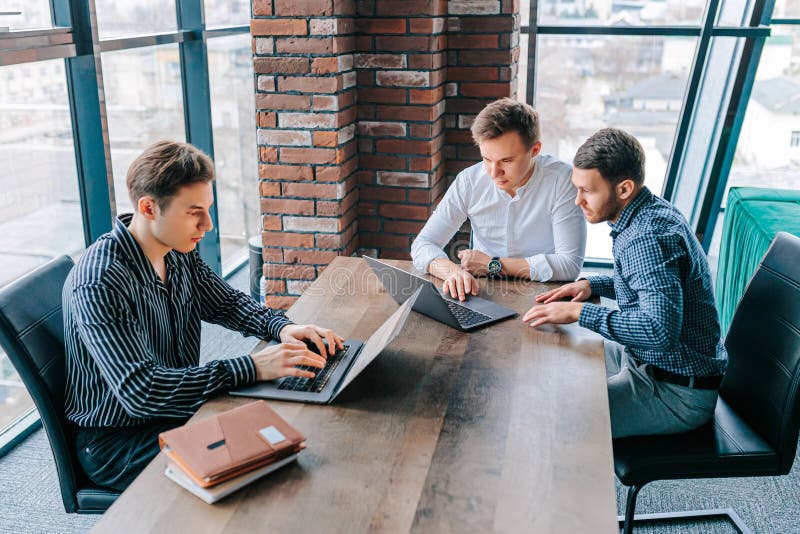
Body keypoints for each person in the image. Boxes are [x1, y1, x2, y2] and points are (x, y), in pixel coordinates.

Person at [63, 141, 344, 491]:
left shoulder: (176, 250)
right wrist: (254, 367)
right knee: (269, 471)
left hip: (175, 410)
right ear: (149, 208)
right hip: (119, 443)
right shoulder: (100, 280)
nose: (208, 224)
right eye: (193, 212)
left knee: (284, 431)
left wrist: (284, 328)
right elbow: (141, 390)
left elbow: (226, 304)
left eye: (208, 209)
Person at [522, 128, 727, 438]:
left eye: (587, 191)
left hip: (675, 392)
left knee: (558, 422)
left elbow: (658, 330)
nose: (578, 201)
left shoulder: (645, 238)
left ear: (624, 188)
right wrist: (593, 287)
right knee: (555, 359)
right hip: (648, 362)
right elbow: (649, 285)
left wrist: (579, 313)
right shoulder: (648, 213)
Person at [410, 98, 586, 301]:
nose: (494, 172)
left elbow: (569, 265)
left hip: (545, 296)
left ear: (535, 150)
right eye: (486, 159)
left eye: (507, 160)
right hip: (480, 293)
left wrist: (493, 264)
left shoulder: (562, 180)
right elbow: (423, 244)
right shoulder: (469, 181)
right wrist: (453, 272)